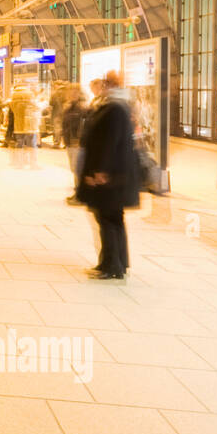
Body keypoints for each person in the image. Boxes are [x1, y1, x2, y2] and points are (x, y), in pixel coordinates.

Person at [76, 71, 140, 280]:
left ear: (110, 85)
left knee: (108, 219)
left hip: (110, 177)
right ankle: (117, 264)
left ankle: (111, 266)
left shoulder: (114, 108)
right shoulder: (118, 106)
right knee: (113, 219)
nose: (102, 86)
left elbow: (109, 143)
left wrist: (100, 172)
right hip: (115, 175)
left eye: (105, 83)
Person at [62, 86, 87, 205]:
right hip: (69, 141)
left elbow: (83, 125)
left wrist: (79, 138)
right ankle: (78, 192)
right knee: (74, 168)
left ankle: (81, 195)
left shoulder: (81, 108)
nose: (72, 95)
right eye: (70, 92)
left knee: (78, 169)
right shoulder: (69, 107)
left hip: (77, 142)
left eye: (74, 93)